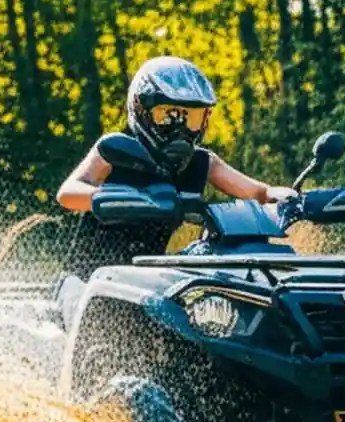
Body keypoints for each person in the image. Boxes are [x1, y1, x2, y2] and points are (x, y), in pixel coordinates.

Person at [55, 56, 297, 283]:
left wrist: (282, 196)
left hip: (145, 283)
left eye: (192, 118)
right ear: (141, 110)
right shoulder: (116, 150)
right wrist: (122, 199)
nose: (181, 130)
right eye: (168, 116)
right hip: (85, 281)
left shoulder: (202, 162)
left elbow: (257, 193)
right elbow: (67, 193)